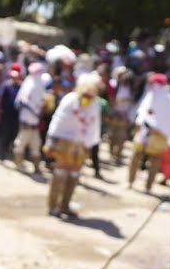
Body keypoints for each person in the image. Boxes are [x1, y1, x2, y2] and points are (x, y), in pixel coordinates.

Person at [44, 73, 104, 219]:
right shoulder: (70, 99)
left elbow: (94, 125)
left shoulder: (95, 103)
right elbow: (58, 119)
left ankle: (65, 205)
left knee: (74, 174)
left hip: (81, 144)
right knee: (60, 173)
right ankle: (53, 206)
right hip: (65, 141)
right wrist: (51, 140)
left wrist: (89, 144)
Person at [127, 73, 170, 193]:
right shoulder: (150, 94)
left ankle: (148, 186)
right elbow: (143, 111)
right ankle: (130, 182)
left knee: (155, 160)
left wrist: (158, 128)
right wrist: (139, 122)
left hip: (159, 135)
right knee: (136, 157)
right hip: (144, 132)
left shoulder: (168, 98)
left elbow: (168, 118)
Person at [11, 62, 47, 173]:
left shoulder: (40, 83)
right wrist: (34, 111)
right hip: (27, 119)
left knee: (36, 143)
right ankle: (18, 164)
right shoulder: (29, 83)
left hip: (35, 120)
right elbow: (22, 101)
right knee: (21, 142)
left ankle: (36, 166)